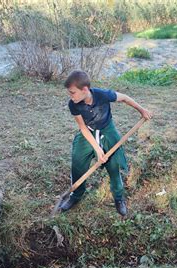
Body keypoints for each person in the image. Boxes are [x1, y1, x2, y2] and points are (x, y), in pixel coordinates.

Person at [60, 70, 152, 216]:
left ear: (84, 89)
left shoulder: (102, 95)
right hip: (88, 132)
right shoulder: (74, 104)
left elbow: (125, 98)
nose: (70, 96)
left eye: (72, 92)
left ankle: (118, 198)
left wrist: (142, 110)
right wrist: (97, 149)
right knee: (78, 162)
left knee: (114, 165)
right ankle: (75, 196)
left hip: (108, 130)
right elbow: (83, 128)